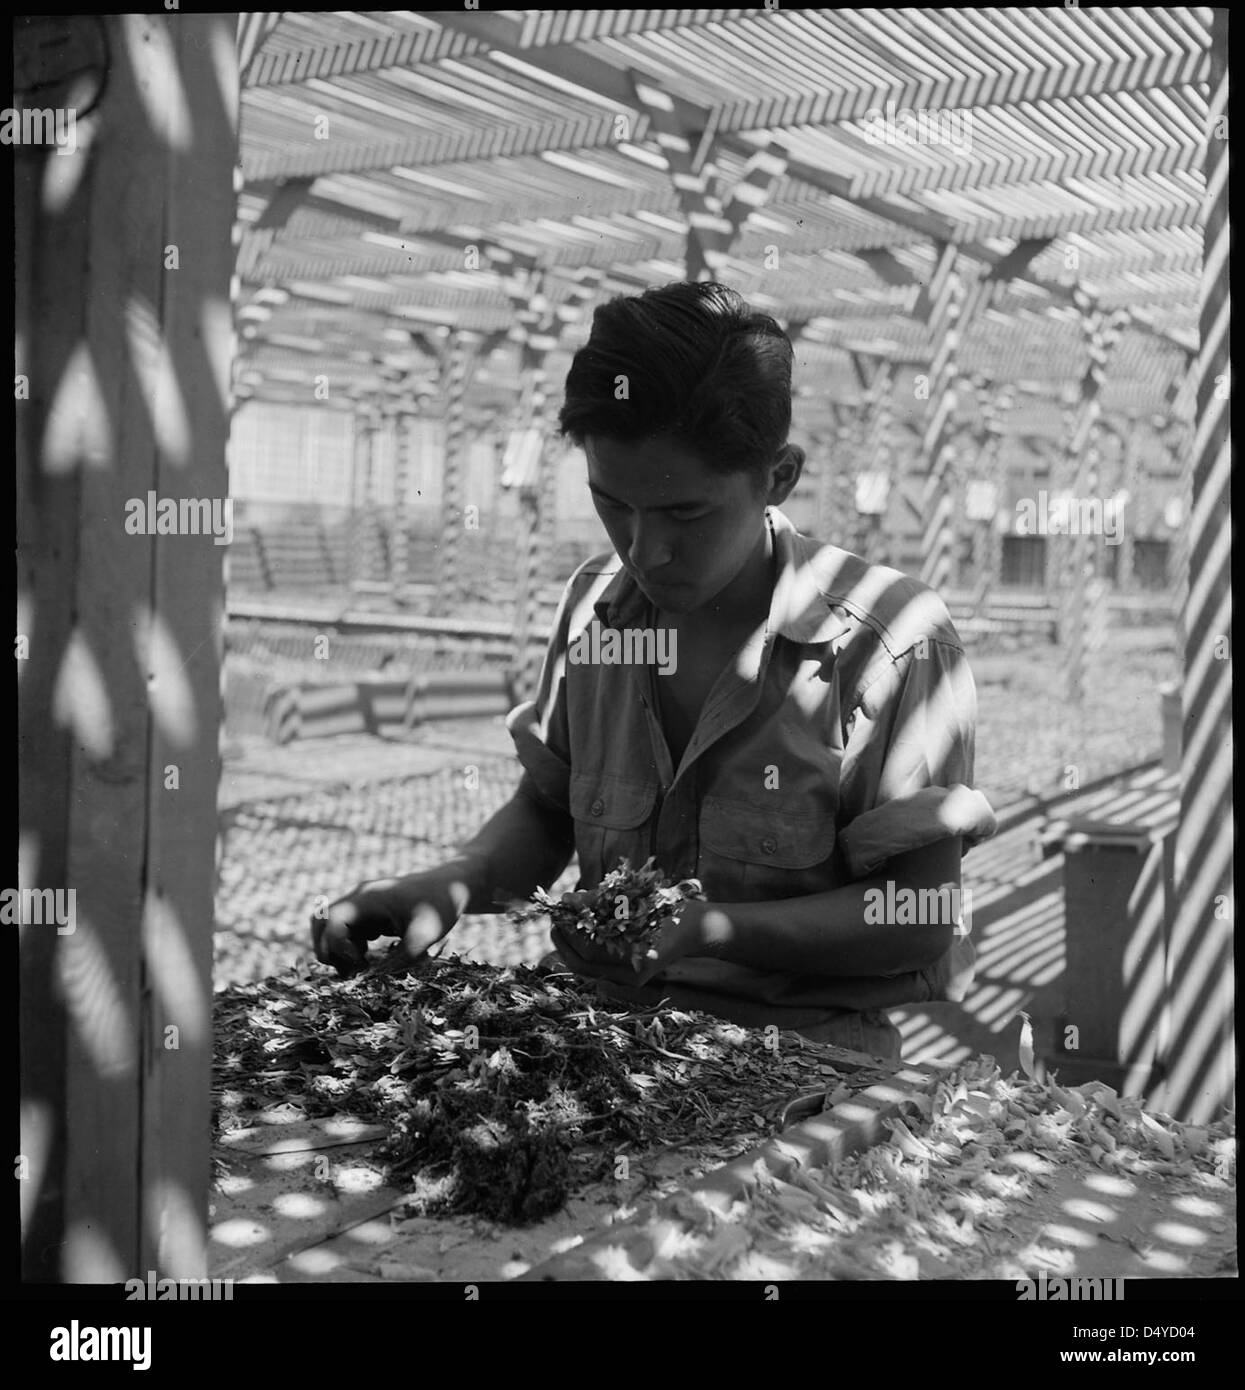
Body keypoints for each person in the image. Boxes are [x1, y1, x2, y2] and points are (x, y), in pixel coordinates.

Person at [312, 280, 997, 1062]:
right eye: (613, 504)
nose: (643, 550)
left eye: (684, 514)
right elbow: (546, 812)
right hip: (595, 1039)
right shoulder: (598, 612)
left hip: (801, 1059)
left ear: (777, 477)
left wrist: (714, 929)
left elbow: (916, 917)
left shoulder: (886, 644)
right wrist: (455, 882)